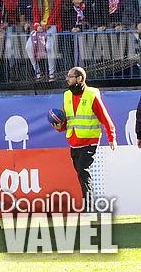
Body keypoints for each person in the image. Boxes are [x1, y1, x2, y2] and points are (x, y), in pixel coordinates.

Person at [49, 66, 117, 209]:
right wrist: (59, 127)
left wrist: (111, 137)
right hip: (74, 142)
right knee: (80, 173)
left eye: (70, 77)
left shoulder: (91, 95)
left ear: (79, 79)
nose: (67, 79)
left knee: (82, 169)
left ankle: (89, 204)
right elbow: (67, 119)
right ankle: (89, 203)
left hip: (89, 140)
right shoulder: (67, 95)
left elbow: (104, 117)